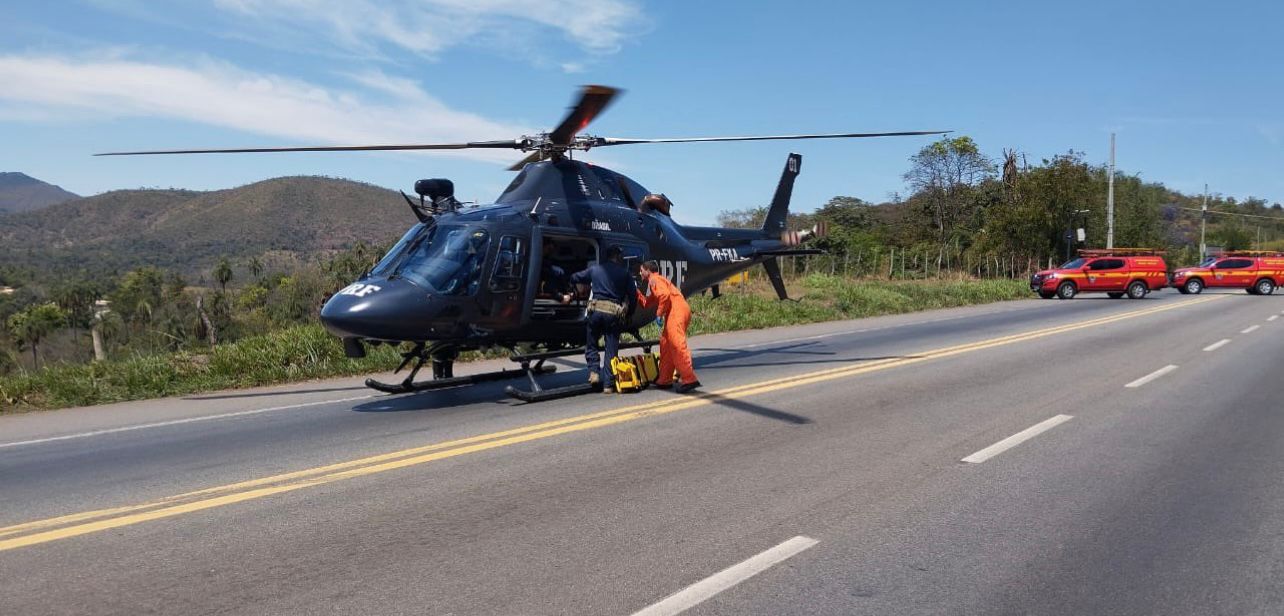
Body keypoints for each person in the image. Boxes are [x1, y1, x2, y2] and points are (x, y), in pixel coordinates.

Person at [569, 246, 636, 392]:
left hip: (595, 312)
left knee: (591, 343)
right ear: (617, 257)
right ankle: (608, 385)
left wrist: (574, 285)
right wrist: (630, 314)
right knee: (611, 348)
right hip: (613, 314)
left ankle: (594, 372)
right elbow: (633, 296)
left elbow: (575, 277)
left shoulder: (595, 270)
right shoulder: (625, 273)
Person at [636, 260, 700, 392]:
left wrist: (659, 314)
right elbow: (649, 302)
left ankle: (689, 379)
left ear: (648, 270)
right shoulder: (656, 281)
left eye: (641, 270)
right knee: (666, 344)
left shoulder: (654, 280)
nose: (640, 273)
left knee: (677, 345)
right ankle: (664, 380)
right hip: (677, 311)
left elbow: (664, 295)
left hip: (676, 312)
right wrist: (637, 293)